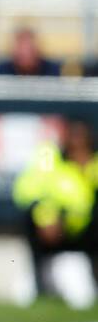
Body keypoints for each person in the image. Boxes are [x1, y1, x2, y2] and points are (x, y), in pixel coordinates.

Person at [12, 119, 98, 308]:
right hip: (55, 225)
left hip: (85, 227)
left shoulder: (93, 164)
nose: (77, 142)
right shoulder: (50, 160)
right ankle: (39, 286)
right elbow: (31, 190)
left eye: (81, 137)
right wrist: (48, 218)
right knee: (32, 224)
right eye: (73, 136)